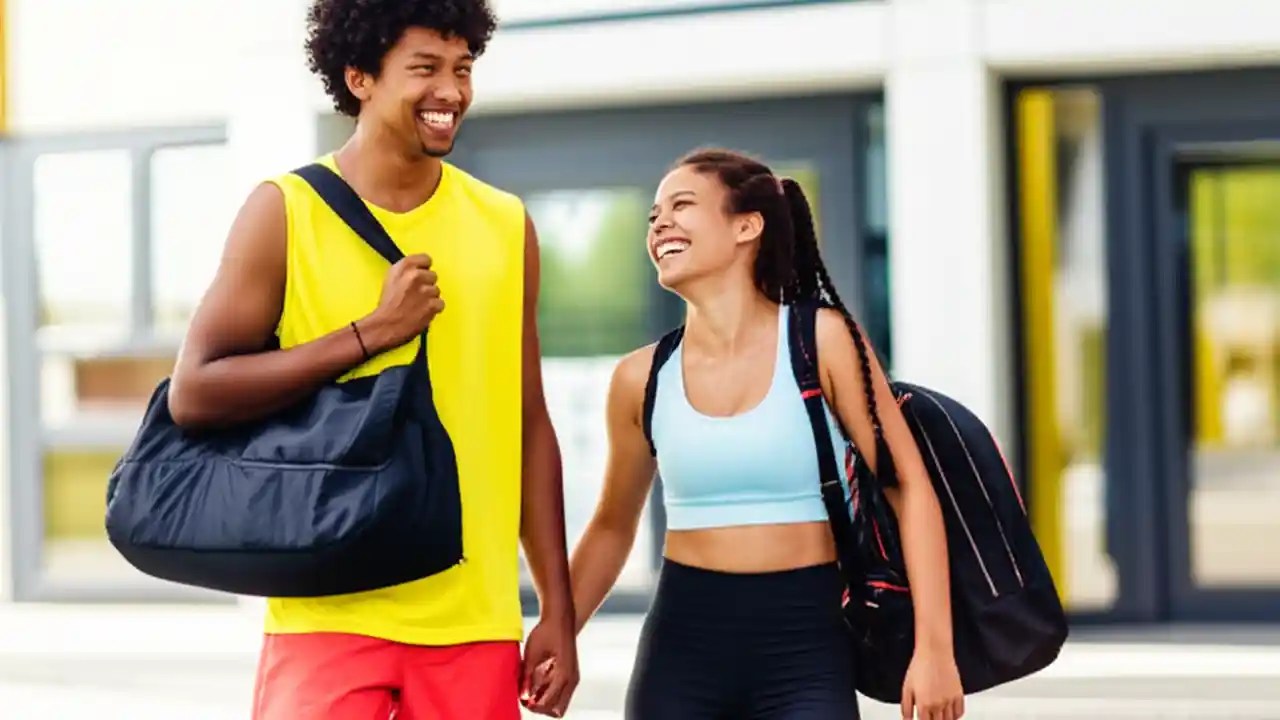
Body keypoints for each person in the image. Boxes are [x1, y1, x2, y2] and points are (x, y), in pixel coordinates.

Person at [166, 1, 579, 718]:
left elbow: (528, 424)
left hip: (472, 620)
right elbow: (194, 392)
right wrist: (371, 333)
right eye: (424, 68)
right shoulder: (285, 211)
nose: (451, 91)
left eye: (463, 69)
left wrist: (558, 610)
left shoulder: (506, 225)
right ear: (359, 76)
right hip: (325, 607)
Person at [568, 148, 966, 720]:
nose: (659, 224)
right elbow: (611, 526)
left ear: (747, 227)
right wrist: (559, 633)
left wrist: (935, 651)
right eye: (654, 215)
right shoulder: (640, 378)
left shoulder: (821, 340)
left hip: (804, 648)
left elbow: (911, 490)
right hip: (681, 651)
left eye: (682, 205)